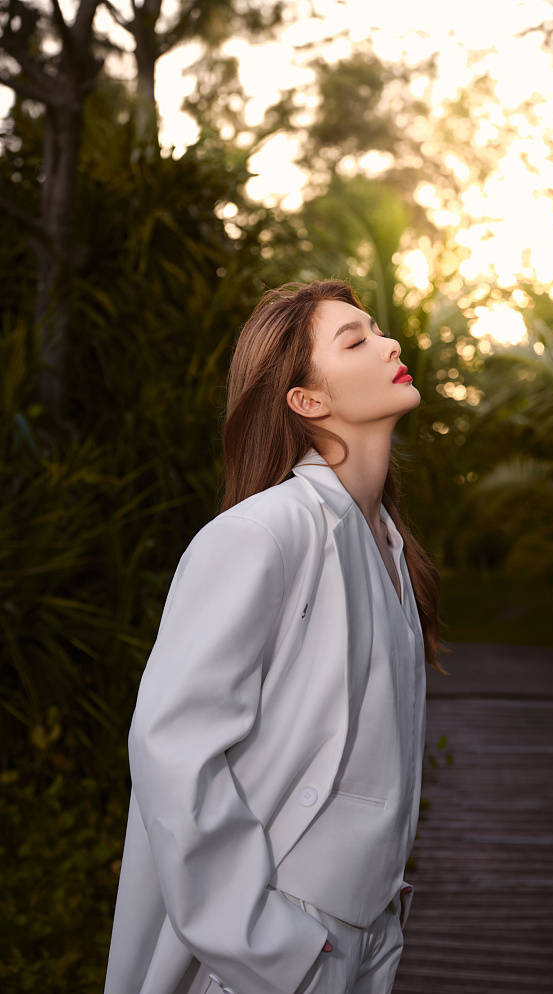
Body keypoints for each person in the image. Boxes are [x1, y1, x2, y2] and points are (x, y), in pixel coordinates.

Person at [103, 278, 451, 994]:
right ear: (307, 400)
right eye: (355, 339)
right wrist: (265, 941)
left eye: (377, 330)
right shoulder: (262, 533)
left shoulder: (388, 549)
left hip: (358, 941)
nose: (390, 344)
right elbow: (171, 747)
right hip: (269, 953)